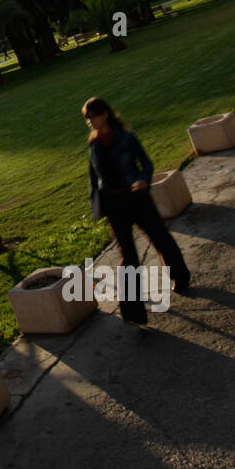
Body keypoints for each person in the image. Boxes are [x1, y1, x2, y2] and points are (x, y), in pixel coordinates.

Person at [82, 96, 190, 326]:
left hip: (137, 199)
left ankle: (180, 277)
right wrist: (97, 206)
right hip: (114, 206)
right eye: (87, 118)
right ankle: (133, 312)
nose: (90, 121)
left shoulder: (126, 138)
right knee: (128, 256)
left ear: (105, 115)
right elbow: (94, 179)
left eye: (93, 116)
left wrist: (143, 180)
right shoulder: (94, 145)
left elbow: (146, 164)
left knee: (159, 237)